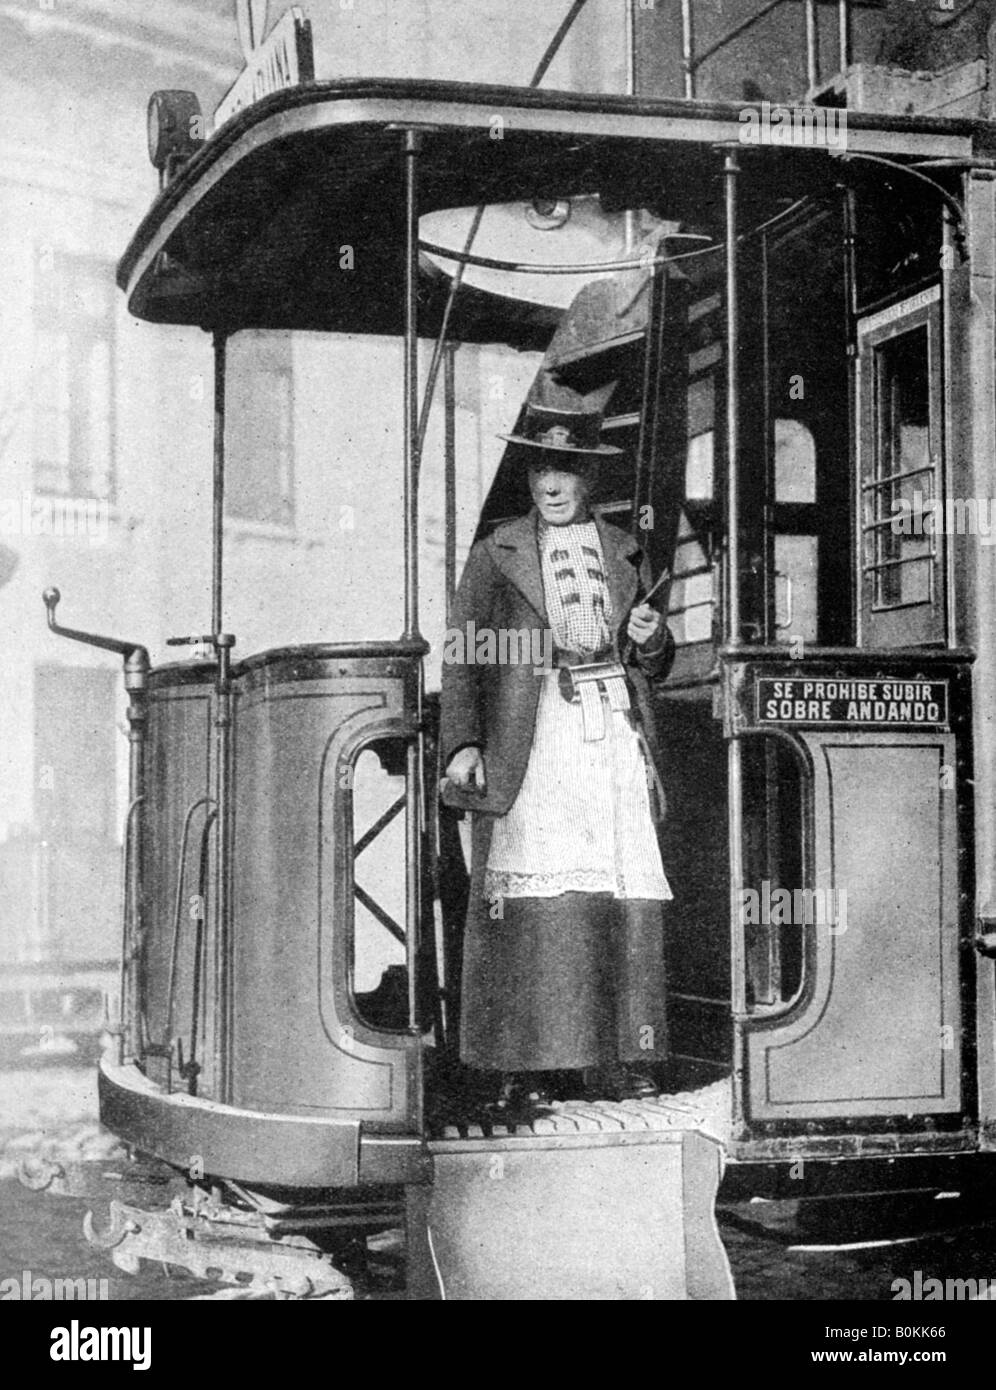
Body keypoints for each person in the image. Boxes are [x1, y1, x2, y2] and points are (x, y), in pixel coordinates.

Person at [440, 402, 674, 1114]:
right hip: (531, 736)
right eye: (541, 467)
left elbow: (652, 662)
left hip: (609, 729)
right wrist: (463, 743)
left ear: (588, 476)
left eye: (565, 468)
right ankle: (523, 1061)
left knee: (619, 892)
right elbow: (463, 654)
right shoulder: (497, 552)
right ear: (529, 475)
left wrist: (650, 636)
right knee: (536, 899)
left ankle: (623, 1057)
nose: (552, 482)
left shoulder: (627, 550)